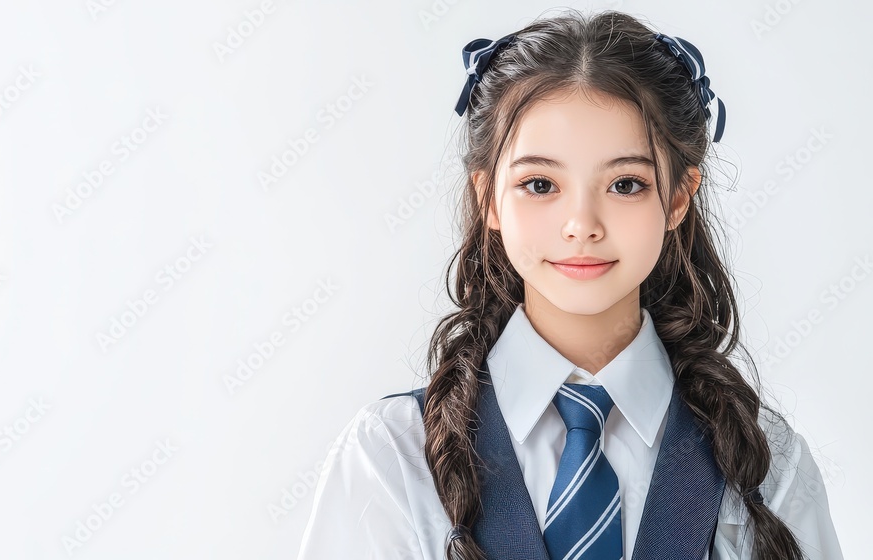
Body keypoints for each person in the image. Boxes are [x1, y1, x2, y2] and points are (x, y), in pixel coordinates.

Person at [295, 8, 844, 560]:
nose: (581, 223)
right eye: (540, 183)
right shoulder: (392, 455)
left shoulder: (764, 462)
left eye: (626, 183)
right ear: (488, 197)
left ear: (679, 197)